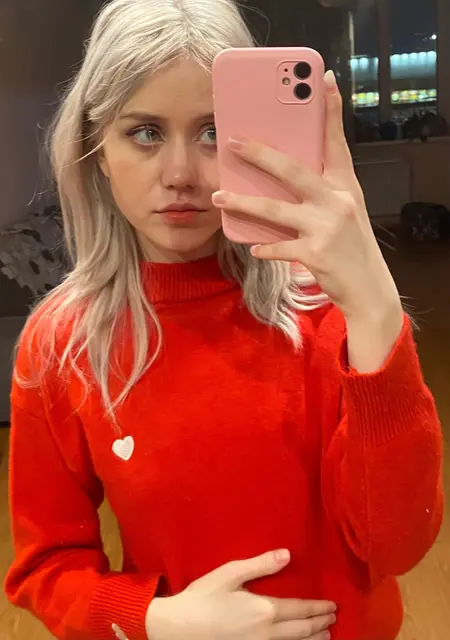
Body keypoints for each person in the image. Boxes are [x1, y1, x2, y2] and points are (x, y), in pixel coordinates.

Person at [5, 1, 444, 639]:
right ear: (97, 151)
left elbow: (396, 544)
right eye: (145, 132)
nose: (180, 174)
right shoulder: (61, 344)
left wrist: (375, 308)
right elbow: (44, 566)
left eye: (213, 131)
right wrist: (154, 620)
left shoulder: (325, 308)